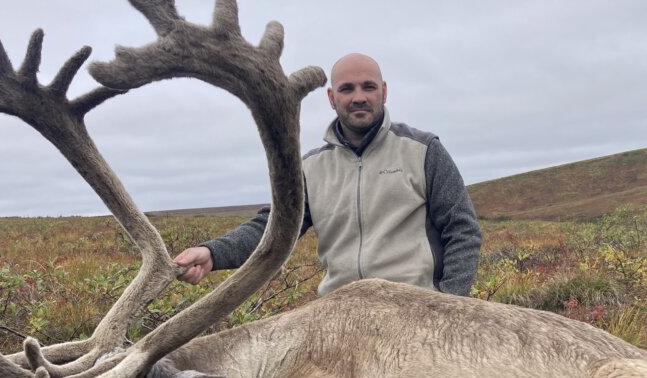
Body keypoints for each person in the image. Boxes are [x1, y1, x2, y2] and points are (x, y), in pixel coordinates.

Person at [173, 53, 482, 296]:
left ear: (384, 92)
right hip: (339, 316)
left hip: (414, 309)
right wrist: (213, 253)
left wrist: (448, 301)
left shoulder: (423, 150)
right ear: (332, 98)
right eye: (347, 89)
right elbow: (271, 229)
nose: (358, 97)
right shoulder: (310, 169)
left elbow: (463, 230)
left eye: (368, 87)